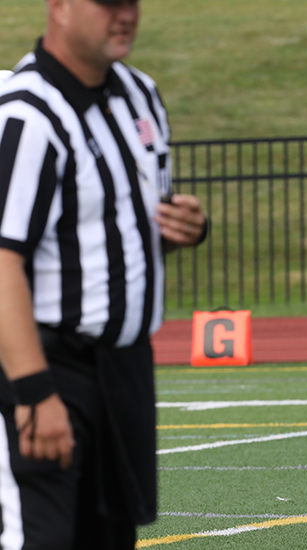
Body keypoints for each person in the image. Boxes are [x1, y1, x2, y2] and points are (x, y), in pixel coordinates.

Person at [0, 0, 208, 547]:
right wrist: (33, 391)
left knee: (112, 536)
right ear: (60, 7)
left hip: (124, 364)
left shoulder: (141, 94)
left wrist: (185, 226)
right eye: (107, 3)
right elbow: (2, 259)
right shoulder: (29, 112)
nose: (125, 15)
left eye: (131, 3)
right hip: (50, 364)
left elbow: (118, 222)